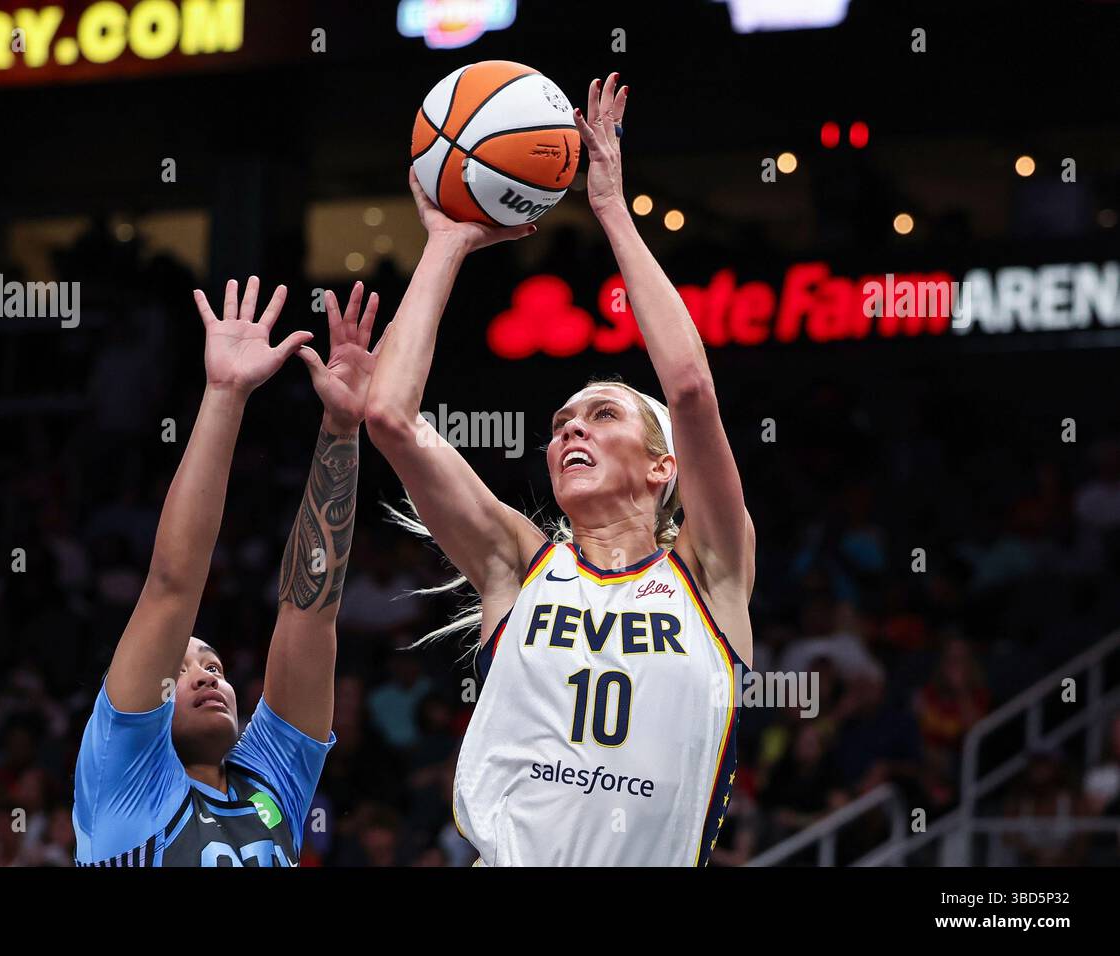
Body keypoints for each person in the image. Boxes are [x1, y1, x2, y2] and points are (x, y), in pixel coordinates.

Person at [365, 73, 755, 865]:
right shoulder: (516, 565)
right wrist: (444, 244)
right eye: (559, 424)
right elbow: (390, 419)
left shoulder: (712, 571)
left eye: (602, 414)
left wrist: (609, 207)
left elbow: (688, 387)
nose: (572, 427)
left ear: (661, 468)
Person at [73, 277, 379, 866]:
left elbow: (310, 613)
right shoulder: (124, 784)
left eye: (212, 664)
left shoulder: (270, 786)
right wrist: (225, 393)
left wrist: (341, 430)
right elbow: (172, 585)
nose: (207, 675)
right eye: (182, 669)